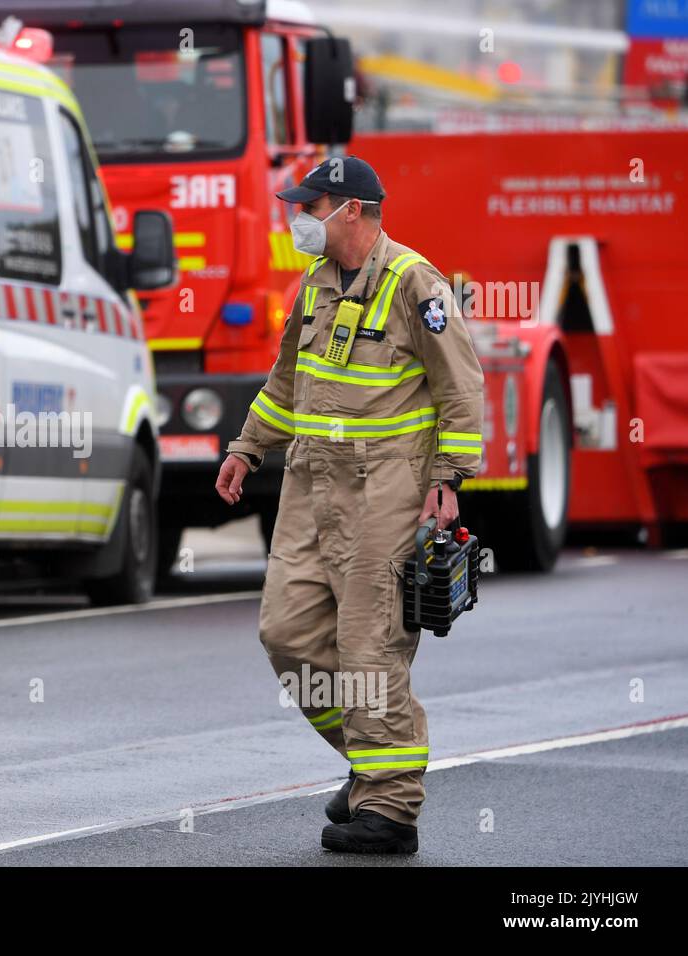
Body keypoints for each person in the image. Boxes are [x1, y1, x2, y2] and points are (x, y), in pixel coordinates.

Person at [216, 155, 484, 854]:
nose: (299, 218)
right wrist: (246, 448)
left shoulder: (414, 283)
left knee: (369, 647)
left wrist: (450, 476)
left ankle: (390, 806)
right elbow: (284, 382)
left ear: (352, 211)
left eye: (311, 206)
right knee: (288, 633)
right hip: (312, 484)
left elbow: (460, 385)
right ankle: (373, 764)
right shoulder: (316, 285)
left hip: (386, 489)